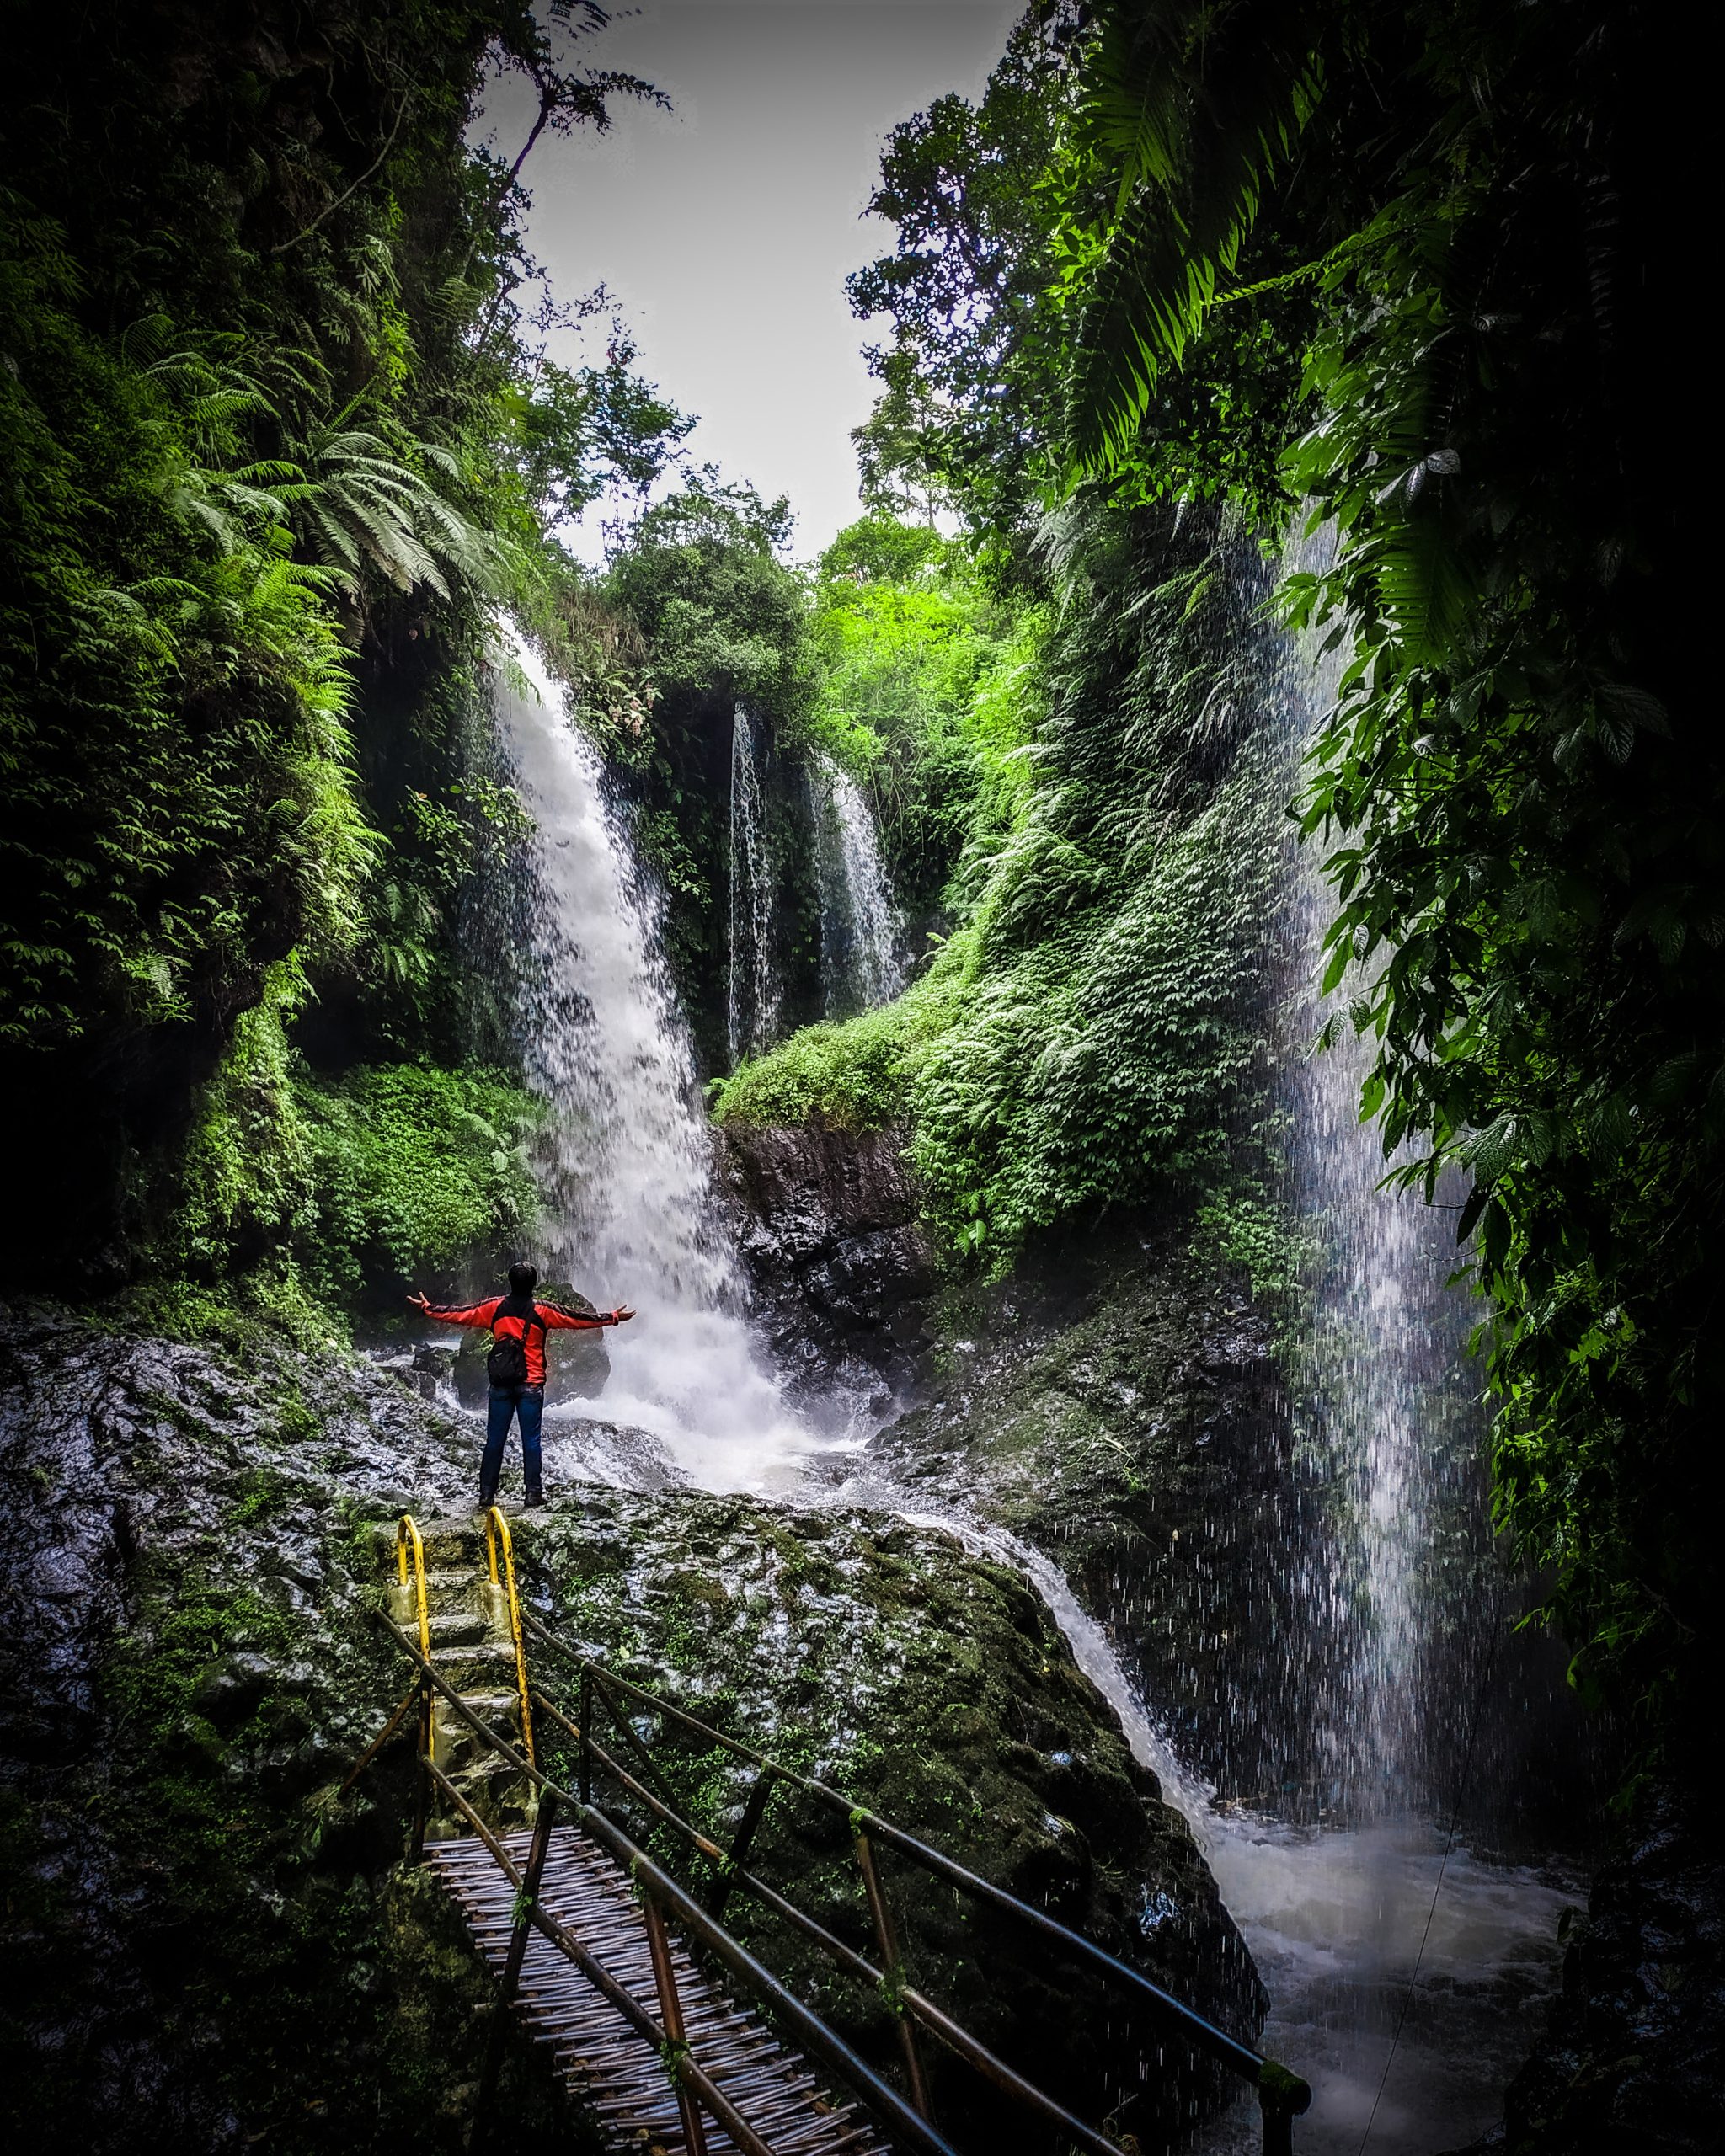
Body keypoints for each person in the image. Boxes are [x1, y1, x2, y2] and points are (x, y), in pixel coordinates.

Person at [409, 1262, 634, 1510]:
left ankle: (486, 1494)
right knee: (531, 1440)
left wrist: (428, 1309)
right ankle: (533, 1494)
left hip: (502, 1384)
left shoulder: (494, 1308)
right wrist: (612, 1318)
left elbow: (461, 1313)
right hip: (531, 1384)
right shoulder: (543, 1311)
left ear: (510, 1282)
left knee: (495, 1439)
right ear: (534, 1284)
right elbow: (575, 1318)